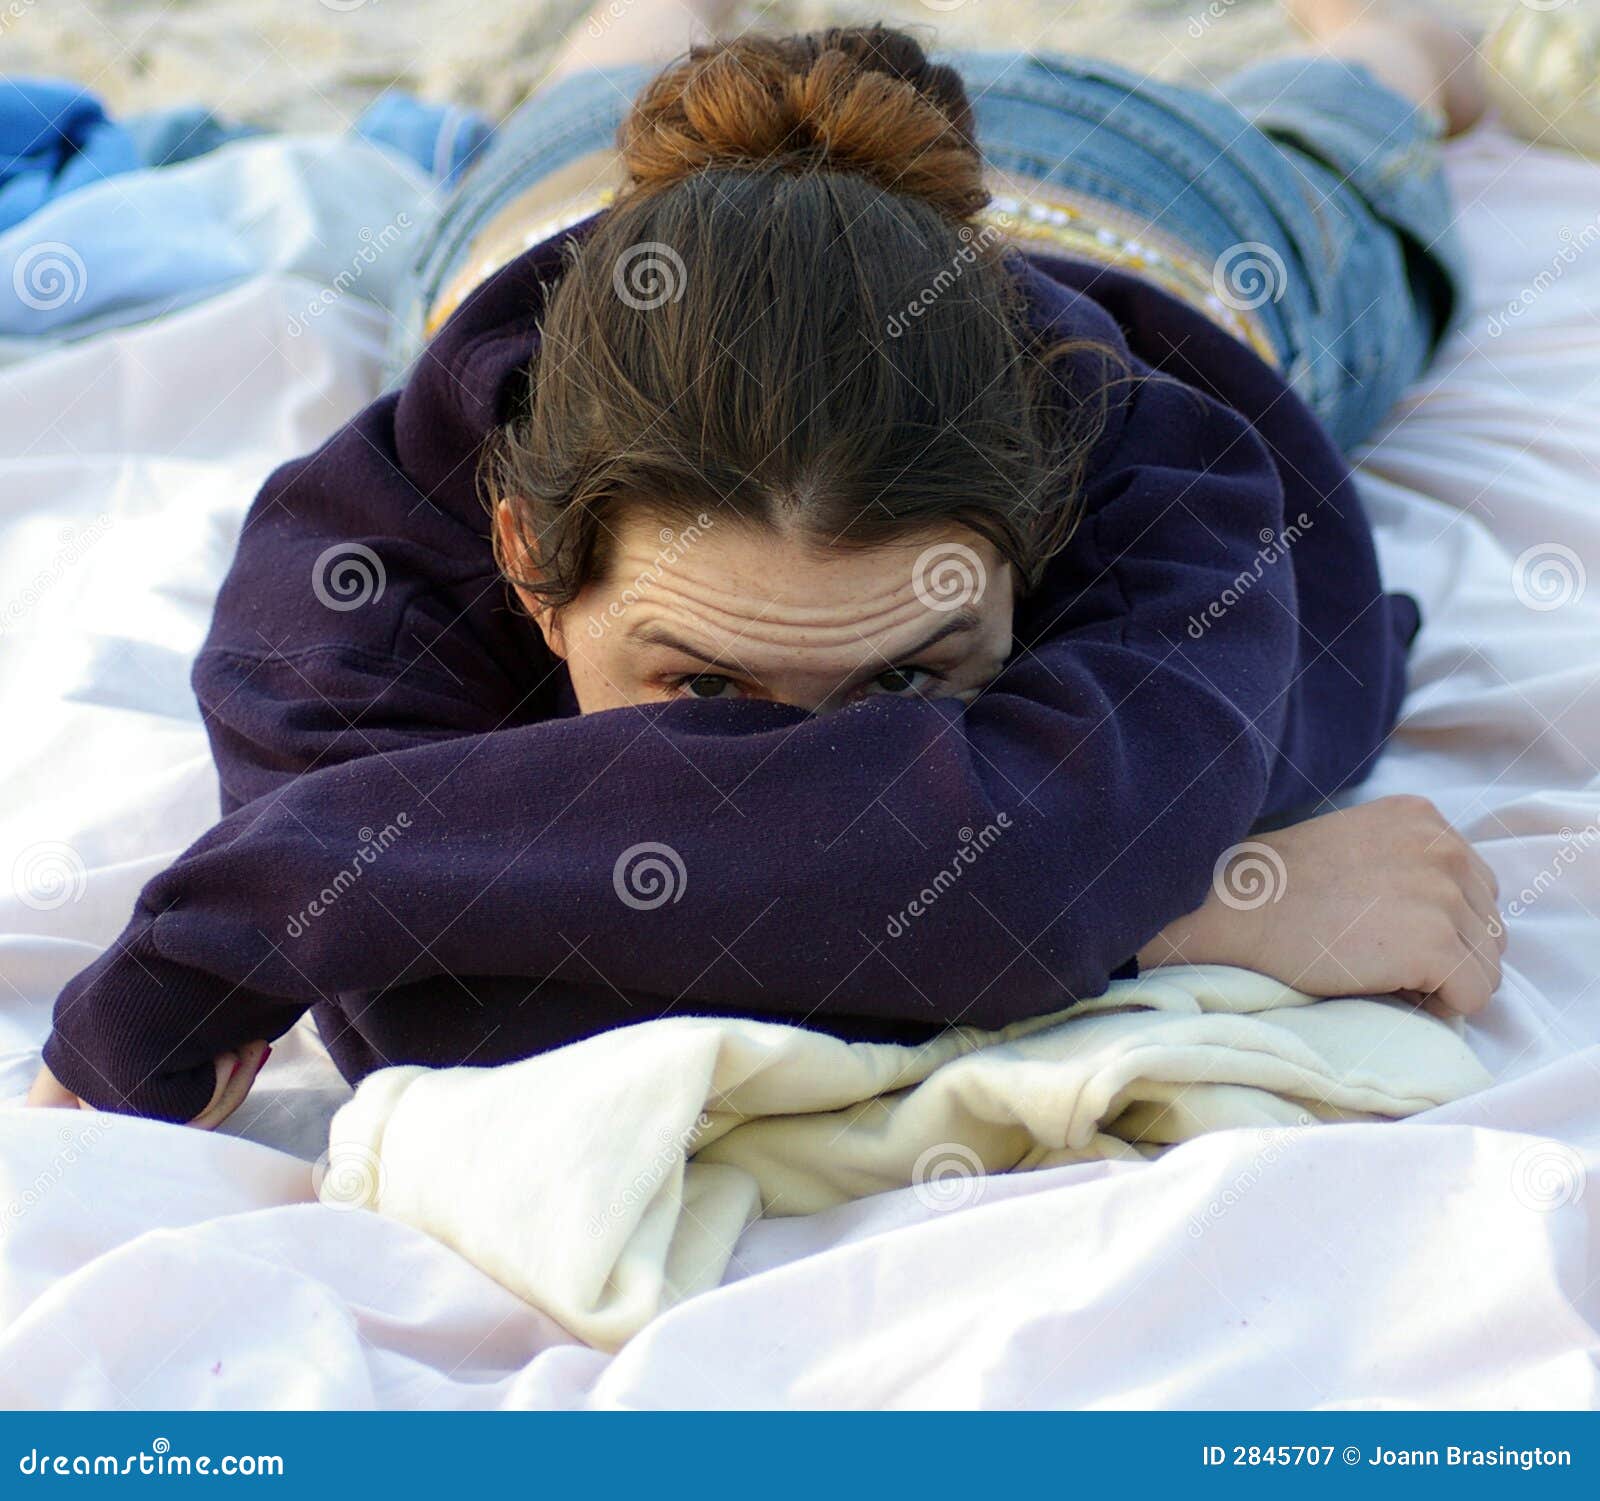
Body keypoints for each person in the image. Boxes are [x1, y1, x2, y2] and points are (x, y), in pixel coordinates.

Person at [31, 0, 1503, 1126]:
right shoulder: (365, 558)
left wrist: (265, 907)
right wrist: (1176, 912)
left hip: (1157, 202)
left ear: (1040, 547)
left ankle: (1377, 38)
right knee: (610, 83)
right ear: (528, 559)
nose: (800, 780)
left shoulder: (1156, 491)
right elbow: (433, 1016)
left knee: (1358, 111)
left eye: (906, 685)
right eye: (706, 684)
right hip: (585, 194)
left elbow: (464, 967)